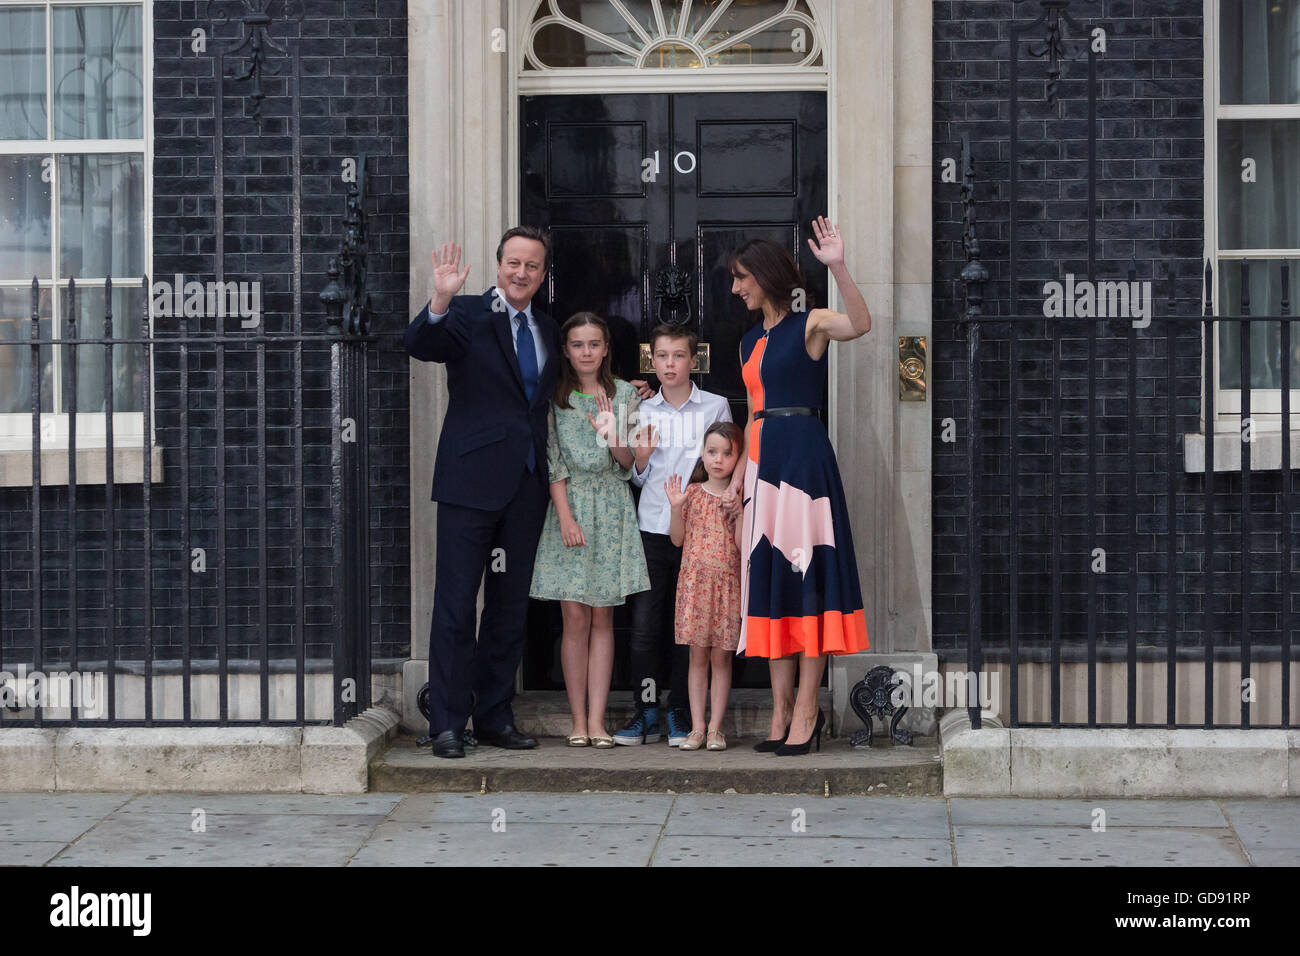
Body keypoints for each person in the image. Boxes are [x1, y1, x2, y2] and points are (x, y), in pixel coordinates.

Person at [404, 227, 559, 759]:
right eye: (513, 263)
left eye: (532, 266)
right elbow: (420, 344)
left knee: (509, 608)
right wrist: (441, 297)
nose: (521, 273)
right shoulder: (467, 314)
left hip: (525, 484)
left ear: (542, 273)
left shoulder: (547, 328)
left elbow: (550, 399)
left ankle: (493, 716)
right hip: (469, 484)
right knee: (455, 604)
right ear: (498, 266)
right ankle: (447, 721)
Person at [726, 217, 872, 756]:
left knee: (807, 580)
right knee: (771, 583)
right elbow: (749, 414)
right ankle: (781, 707)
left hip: (804, 463)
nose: (736, 288)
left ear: (765, 275)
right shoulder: (746, 341)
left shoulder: (809, 325)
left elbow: (861, 323)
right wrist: (741, 475)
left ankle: (808, 710)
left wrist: (836, 264)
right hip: (762, 469)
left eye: (742, 277)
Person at [529, 312, 651, 748]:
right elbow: (553, 462)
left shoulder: (623, 395)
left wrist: (612, 430)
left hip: (612, 508)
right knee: (573, 616)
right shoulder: (555, 399)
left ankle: (598, 721)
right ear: (566, 350)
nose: (586, 352)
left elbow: (630, 463)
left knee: (604, 616)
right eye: (578, 344)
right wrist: (564, 517)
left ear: (605, 349)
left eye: (594, 344)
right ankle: (577, 720)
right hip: (571, 506)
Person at [615, 324, 733, 746]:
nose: (669, 364)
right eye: (661, 356)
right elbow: (633, 475)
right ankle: (646, 711)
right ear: (652, 360)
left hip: (702, 534)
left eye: (678, 355)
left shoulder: (716, 406)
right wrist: (642, 461)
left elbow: (727, 465)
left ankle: (683, 712)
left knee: (692, 629)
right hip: (652, 528)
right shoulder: (640, 409)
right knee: (646, 627)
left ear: (693, 359)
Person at [665, 422, 745, 752]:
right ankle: (697, 727)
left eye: (727, 454)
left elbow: (741, 545)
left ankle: (716, 728)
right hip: (695, 588)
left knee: (721, 660)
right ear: (702, 453)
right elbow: (677, 539)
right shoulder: (693, 494)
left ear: (737, 459)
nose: (718, 459)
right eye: (712, 451)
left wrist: (739, 513)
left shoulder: (736, 499)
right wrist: (675, 507)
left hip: (726, 586)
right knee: (697, 658)